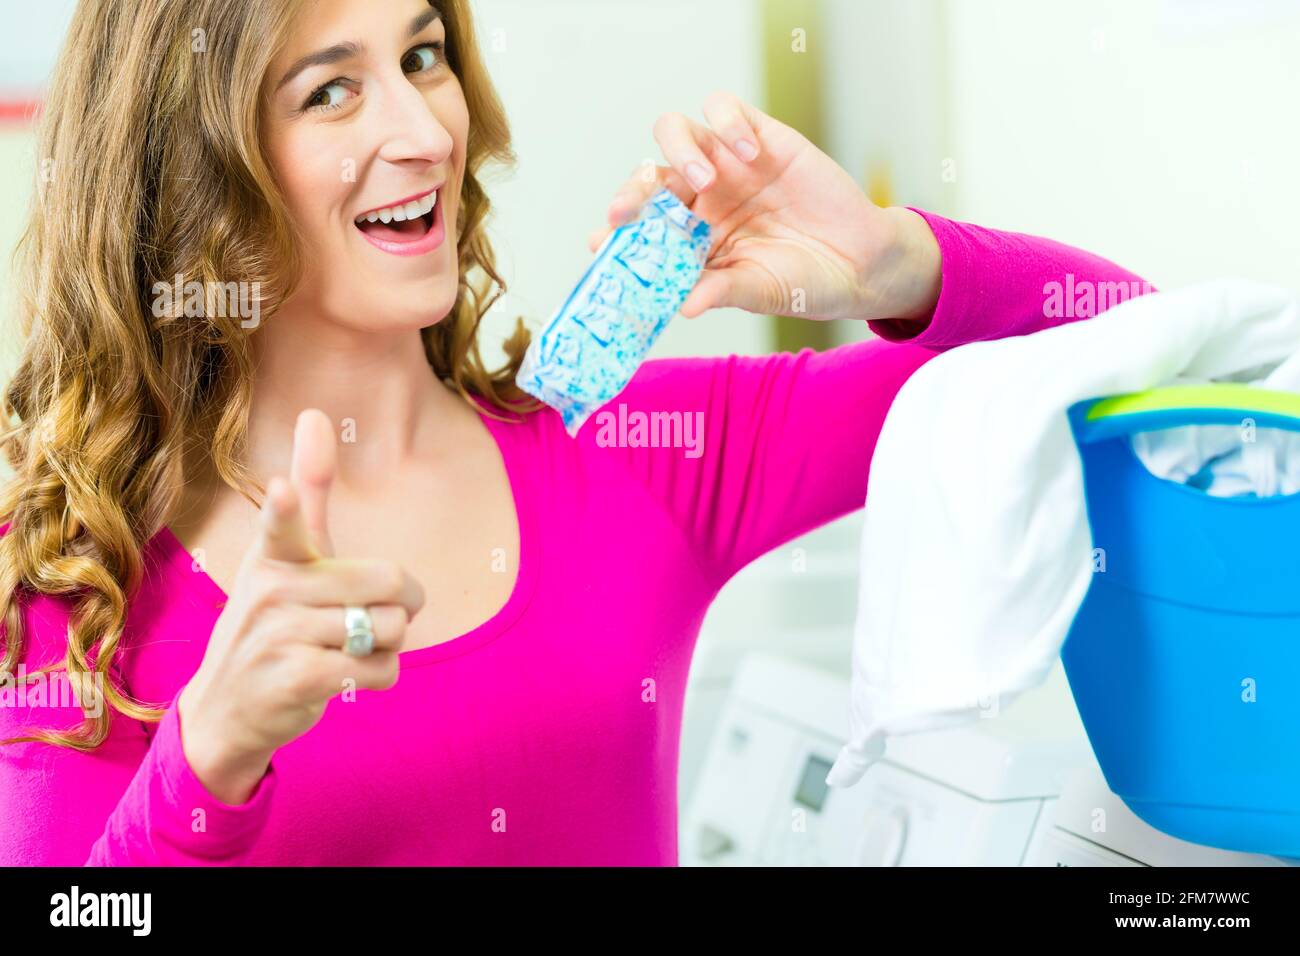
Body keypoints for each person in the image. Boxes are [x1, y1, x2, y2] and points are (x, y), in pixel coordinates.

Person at [0, 0, 1151, 865]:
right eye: (330, 92)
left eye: (420, 57)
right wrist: (203, 761)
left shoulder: (638, 449)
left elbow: (1121, 335)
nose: (421, 131)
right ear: (201, 167)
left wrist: (890, 261)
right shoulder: (71, 570)